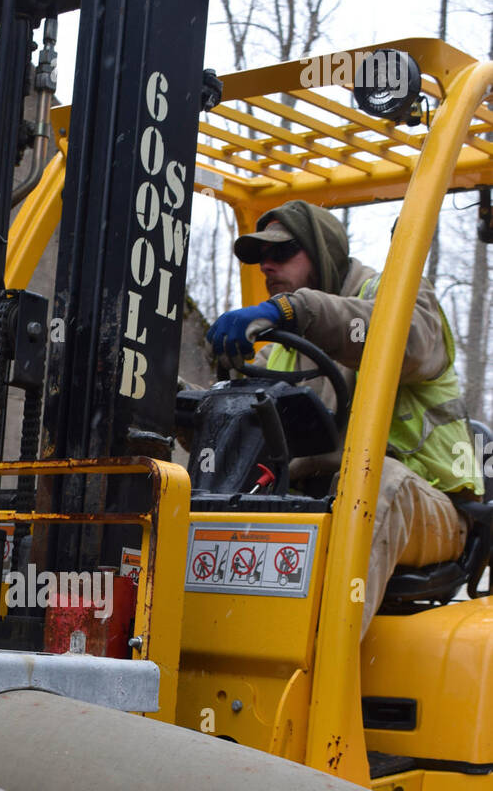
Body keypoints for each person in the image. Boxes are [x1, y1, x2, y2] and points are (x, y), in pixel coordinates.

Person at [205, 200, 484, 634]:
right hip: (325, 498)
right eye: (262, 257)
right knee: (212, 492)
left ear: (322, 252)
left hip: (432, 508)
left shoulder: (399, 297)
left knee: (373, 481)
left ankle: (321, 667)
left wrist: (297, 310)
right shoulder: (280, 347)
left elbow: (403, 340)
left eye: (282, 253)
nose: (267, 265)